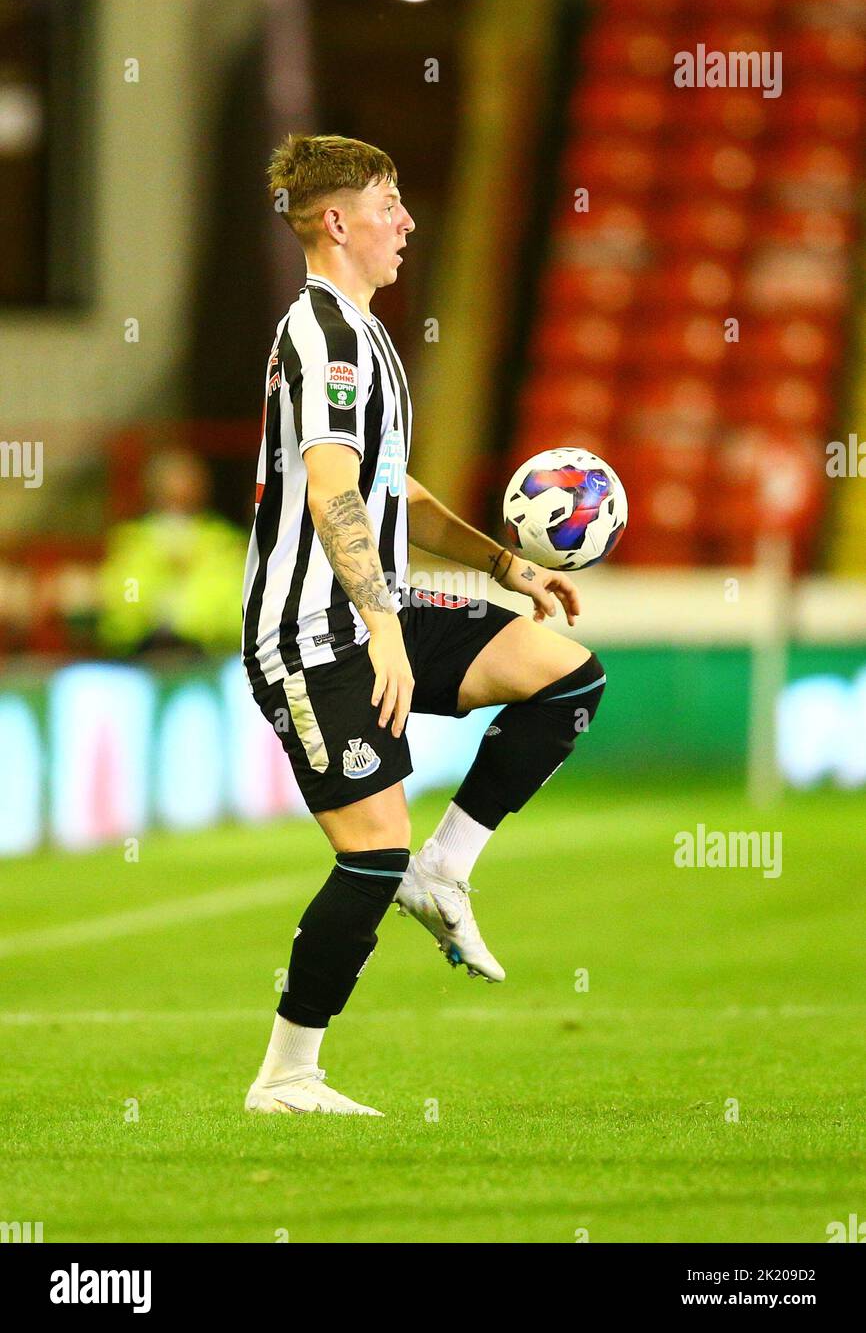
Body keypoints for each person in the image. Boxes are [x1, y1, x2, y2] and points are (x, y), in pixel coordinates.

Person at [241, 133, 606, 1115]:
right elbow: (329, 492)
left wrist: (499, 561)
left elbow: (388, 483)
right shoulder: (318, 332)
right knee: (369, 856)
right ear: (336, 222)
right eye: (387, 203)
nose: (404, 220)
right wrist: (384, 626)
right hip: (313, 635)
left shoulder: (365, 332)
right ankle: (287, 1076)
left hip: (376, 611)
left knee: (563, 670)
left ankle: (450, 866)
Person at [99, 449, 247, 657]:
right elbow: (122, 603)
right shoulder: (133, 542)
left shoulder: (224, 543)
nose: (179, 492)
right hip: (143, 655)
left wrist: (187, 619)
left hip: (208, 658)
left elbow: (238, 607)